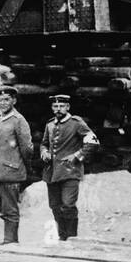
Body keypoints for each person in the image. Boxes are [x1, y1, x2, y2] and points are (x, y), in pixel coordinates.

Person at [41, 94, 99, 240]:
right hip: (52, 173)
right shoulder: (50, 124)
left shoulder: (76, 123)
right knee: (55, 206)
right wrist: (44, 152)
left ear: (68, 107)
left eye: (61, 106)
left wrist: (77, 156)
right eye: (55, 106)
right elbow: (44, 143)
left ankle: (72, 238)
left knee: (68, 205)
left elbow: (93, 141)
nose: (58, 109)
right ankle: (62, 236)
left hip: (70, 171)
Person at [0, 85, 33, 245]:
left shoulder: (19, 121)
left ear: (14, 100)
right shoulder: (0, 119)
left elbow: (26, 148)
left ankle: (10, 241)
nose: (3, 103)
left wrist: (22, 167)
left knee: (10, 208)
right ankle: (9, 239)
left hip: (10, 171)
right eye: (0, 100)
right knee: (1, 206)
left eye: (6, 99)